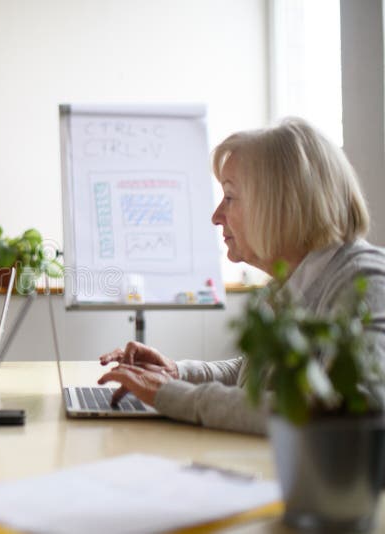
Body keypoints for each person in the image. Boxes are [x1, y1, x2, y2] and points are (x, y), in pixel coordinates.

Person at [97, 117, 385, 435]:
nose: (216, 215)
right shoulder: (291, 283)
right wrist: (176, 373)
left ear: (281, 204)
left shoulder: (366, 282)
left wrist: (171, 395)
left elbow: (350, 411)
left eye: (230, 197)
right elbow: (254, 375)